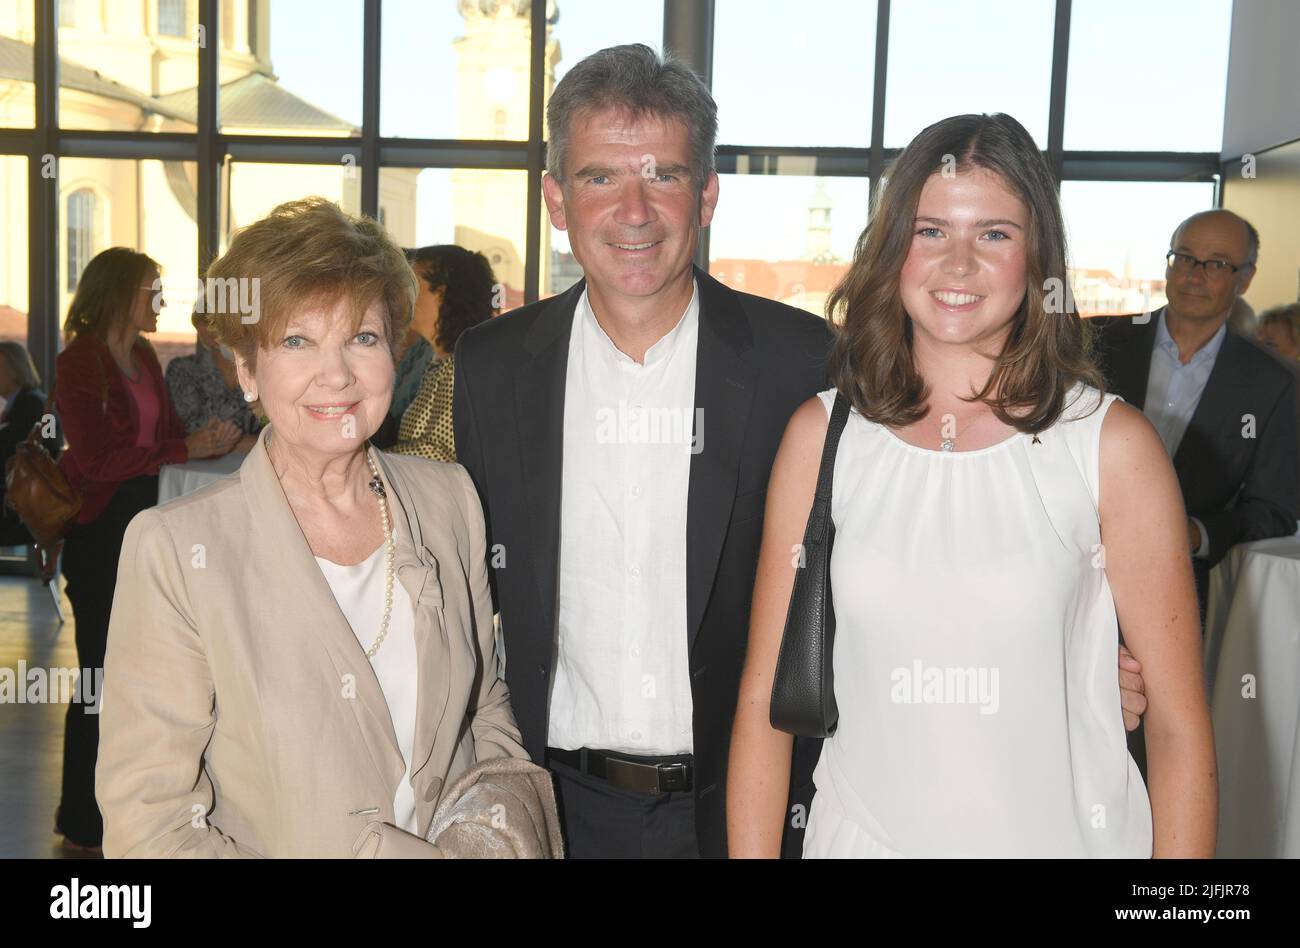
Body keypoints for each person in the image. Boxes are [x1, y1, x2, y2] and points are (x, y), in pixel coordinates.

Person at [454, 47, 1151, 858]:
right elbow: (447, 568)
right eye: (601, 178)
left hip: (754, 802)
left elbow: (919, 545)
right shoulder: (489, 367)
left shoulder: (804, 365)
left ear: (707, 194)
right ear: (555, 200)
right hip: (555, 808)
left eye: (667, 177)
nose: (634, 211)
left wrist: (1068, 665)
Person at [728, 113, 1216, 858]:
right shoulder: (821, 439)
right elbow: (764, 700)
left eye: (994, 234)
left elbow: (1180, 729)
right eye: (930, 232)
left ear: (1036, 257)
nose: (958, 265)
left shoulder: (1110, 448)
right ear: (894, 249)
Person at [96, 198, 528, 857]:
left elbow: (486, 712)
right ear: (246, 367)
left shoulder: (449, 503)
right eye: (297, 340)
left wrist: (480, 844)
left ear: (395, 351)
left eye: (362, 337)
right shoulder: (177, 551)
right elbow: (151, 824)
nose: (337, 375)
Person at [53, 248, 240, 853]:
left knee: (146, 675)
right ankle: (83, 818)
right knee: (99, 678)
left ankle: (134, 815)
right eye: (151, 290)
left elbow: (159, 443)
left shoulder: (140, 357)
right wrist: (187, 450)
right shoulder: (80, 362)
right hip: (102, 531)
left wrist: (194, 443)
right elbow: (96, 460)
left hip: (148, 526)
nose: (160, 301)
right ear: (119, 294)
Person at [1090, 211, 1299, 621]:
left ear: (1245, 279)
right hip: (1073, 568)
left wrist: (1197, 533)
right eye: (1184, 257)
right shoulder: (1094, 345)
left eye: (1217, 263)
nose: (1194, 275)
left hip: (1179, 594)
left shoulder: (1274, 383)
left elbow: (1274, 509)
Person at [389, 245, 496, 462]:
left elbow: (440, 452)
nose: (405, 295)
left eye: (415, 285)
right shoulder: (439, 361)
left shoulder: (464, 367)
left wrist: (367, 462)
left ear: (444, 293)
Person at [165, 309, 262, 450]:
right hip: (195, 470)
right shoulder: (183, 370)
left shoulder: (260, 374)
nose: (212, 327)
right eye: (206, 320)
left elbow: (279, 434)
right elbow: (197, 435)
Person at [0, 341, 61, 545]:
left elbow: (10, 448)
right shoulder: (31, 401)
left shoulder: (31, 404)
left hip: (23, 501)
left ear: (14, 369)